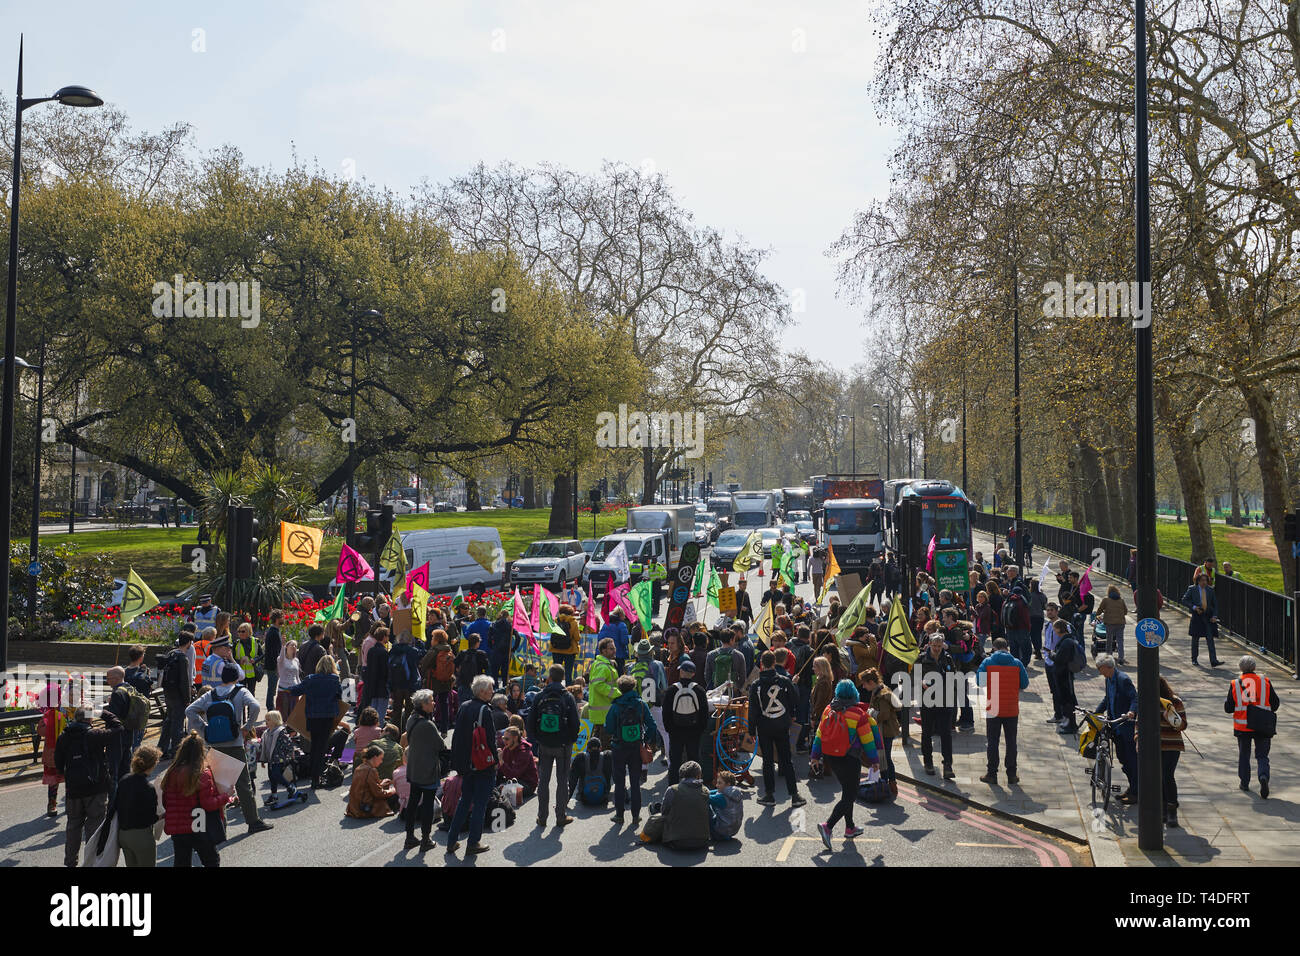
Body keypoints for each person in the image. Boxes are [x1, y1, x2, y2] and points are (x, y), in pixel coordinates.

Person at [185, 663, 272, 832]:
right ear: (236, 677)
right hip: (234, 742)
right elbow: (254, 706)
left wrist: (204, 729)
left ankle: (220, 825)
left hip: (215, 744)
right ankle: (253, 822)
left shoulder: (211, 694)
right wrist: (247, 726)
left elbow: (190, 710)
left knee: (217, 786)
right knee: (243, 785)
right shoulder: (241, 691)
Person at [811, 680, 881, 851]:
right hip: (850, 759)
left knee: (846, 791)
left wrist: (815, 756)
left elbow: (819, 734)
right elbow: (868, 741)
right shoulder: (859, 714)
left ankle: (850, 827)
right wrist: (874, 761)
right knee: (850, 795)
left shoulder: (828, 710)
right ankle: (828, 826)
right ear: (854, 694)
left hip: (831, 757)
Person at [53, 706, 125, 868]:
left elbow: (58, 762)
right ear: (90, 718)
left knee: (73, 825)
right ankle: (92, 860)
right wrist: (104, 712)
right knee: (95, 825)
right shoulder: (94, 735)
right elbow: (118, 728)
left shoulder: (64, 736)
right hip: (96, 787)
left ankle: (71, 862)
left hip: (73, 788)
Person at [446, 674, 497, 856]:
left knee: (464, 801)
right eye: (491, 688)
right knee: (480, 804)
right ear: (482, 691)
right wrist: (495, 761)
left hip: (466, 764)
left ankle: (452, 840)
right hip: (482, 764)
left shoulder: (464, 706)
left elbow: (457, 736)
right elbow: (490, 740)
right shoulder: (485, 710)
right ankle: (473, 842)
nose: (493, 691)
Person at [160, 731, 227, 867]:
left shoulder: (172, 772)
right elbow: (208, 804)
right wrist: (226, 796)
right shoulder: (202, 773)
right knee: (211, 860)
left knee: (181, 862)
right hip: (199, 824)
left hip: (178, 827)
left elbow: (166, 802)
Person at [749, 650, 806, 808]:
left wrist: (751, 730)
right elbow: (795, 699)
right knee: (786, 760)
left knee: (767, 761)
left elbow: (753, 709)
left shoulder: (756, 685)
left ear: (762, 664)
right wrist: (793, 685)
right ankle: (794, 795)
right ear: (774, 663)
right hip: (782, 725)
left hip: (764, 726)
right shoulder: (784, 681)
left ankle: (769, 795)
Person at [528, 663, 581, 826]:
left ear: (549, 678)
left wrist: (537, 739)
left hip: (544, 743)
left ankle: (542, 817)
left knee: (543, 780)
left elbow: (530, 722)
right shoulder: (567, 697)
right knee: (562, 780)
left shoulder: (540, 696)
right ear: (564, 678)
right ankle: (560, 816)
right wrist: (570, 739)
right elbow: (575, 723)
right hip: (563, 744)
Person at [282, 656, 344, 790]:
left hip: (313, 717)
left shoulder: (310, 679)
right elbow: (340, 696)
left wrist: (285, 688)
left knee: (315, 747)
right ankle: (316, 778)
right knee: (321, 748)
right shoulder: (334, 680)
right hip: (327, 717)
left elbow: (296, 690)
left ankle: (315, 776)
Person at [603, 674, 657, 827]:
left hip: (619, 747)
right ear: (634, 687)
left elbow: (609, 728)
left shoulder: (615, 706)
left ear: (620, 689)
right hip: (636, 748)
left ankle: (619, 815)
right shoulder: (641, 704)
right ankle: (635, 816)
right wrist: (645, 740)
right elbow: (652, 726)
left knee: (619, 782)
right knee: (635, 782)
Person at [976, 638, 1029, 785]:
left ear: (993, 648)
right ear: (1007, 647)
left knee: (992, 741)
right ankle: (1011, 774)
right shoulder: (1017, 663)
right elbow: (1024, 684)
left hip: (994, 706)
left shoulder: (988, 662)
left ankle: (991, 773)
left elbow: (979, 682)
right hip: (1011, 707)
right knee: (1011, 742)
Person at [1225, 655, 1280, 798]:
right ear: (1254, 667)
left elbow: (1228, 708)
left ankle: (1244, 782)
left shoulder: (1235, 683)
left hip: (1243, 727)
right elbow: (1275, 704)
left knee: (1244, 755)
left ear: (1240, 668)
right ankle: (1263, 776)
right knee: (1262, 755)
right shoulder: (1265, 681)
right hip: (1262, 725)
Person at [404, 689, 449, 851]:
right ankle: (425, 839)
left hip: (414, 768)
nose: (434, 703)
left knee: (413, 802)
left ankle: (409, 837)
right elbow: (441, 746)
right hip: (428, 771)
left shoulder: (411, 719)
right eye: (431, 700)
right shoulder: (428, 725)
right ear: (423, 704)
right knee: (428, 805)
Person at [1094, 654, 1138, 802]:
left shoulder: (1123, 679)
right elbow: (1107, 699)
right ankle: (1132, 788)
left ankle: (1136, 792)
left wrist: (1132, 711)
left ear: (1107, 667)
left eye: (1100, 669)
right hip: (1115, 727)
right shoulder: (1108, 680)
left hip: (1125, 727)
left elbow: (1134, 698)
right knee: (1123, 759)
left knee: (1132, 760)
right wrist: (1096, 713)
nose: (1099, 672)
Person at [662, 658, 708, 784]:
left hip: (676, 731)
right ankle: (696, 786)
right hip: (694, 731)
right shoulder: (699, 690)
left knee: (675, 762)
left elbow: (665, 713)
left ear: (681, 671)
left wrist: (670, 729)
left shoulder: (672, 690)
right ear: (693, 674)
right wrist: (700, 730)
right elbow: (704, 714)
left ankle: (673, 787)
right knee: (694, 760)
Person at [918, 632, 957, 779]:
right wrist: (921, 683)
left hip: (944, 701)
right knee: (927, 732)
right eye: (934, 645)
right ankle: (928, 762)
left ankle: (948, 765)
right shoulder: (922, 659)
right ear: (929, 645)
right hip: (927, 701)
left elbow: (954, 675)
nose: (936, 648)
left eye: (939, 646)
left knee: (946, 733)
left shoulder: (947, 658)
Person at [117, 745, 163, 867]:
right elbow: (150, 818)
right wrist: (162, 816)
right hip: (141, 836)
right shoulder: (148, 787)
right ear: (152, 764)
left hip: (123, 835)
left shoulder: (124, 780)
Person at [660, 760, 712, 850]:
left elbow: (664, 811)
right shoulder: (705, 791)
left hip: (676, 841)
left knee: (658, 815)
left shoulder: (672, 790)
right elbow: (709, 814)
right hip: (702, 841)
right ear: (699, 775)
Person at [863, 668, 901, 790]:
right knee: (883, 757)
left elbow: (885, 715)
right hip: (884, 729)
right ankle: (888, 782)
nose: (863, 687)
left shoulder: (881, 695)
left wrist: (872, 713)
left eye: (864, 684)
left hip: (886, 730)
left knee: (885, 758)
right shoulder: (878, 690)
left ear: (871, 682)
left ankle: (889, 783)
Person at [1182, 572, 1224, 667]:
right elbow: (1184, 600)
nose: (1204, 582)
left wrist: (1214, 616)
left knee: (1210, 639)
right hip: (1197, 617)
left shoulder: (1210, 590)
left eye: (1205, 580)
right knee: (1195, 639)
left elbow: (1215, 605)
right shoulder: (1192, 589)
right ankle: (1194, 659)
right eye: (1202, 581)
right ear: (1198, 581)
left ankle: (1213, 660)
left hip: (1207, 617)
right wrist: (1194, 607)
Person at [346, 744, 398, 819]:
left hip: (354, 806)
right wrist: (393, 790)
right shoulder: (371, 770)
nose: (381, 762)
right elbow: (378, 793)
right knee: (395, 796)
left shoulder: (360, 767)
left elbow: (366, 786)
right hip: (365, 807)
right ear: (374, 757)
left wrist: (381, 784)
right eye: (381, 758)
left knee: (387, 788)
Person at [259, 710, 299, 804]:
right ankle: (274, 796)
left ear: (275, 720)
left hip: (279, 758)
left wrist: (291, 753)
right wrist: (262, 760)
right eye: (266, 720)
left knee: (276, 774)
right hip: (270, 759)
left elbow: (288, 744)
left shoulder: (280, 731)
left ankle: (290, 787)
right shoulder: (267, 733)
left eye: (268, 720)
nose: (266, 722)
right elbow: (265, 747)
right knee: (271, 777)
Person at [587, 637, 620, 746]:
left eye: (614, 648)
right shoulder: (602, 666)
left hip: (602, 712)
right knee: (604, 746)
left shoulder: (603, 664)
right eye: (611, 648)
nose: (614, 650)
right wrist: (617, 693)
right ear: (603, 651)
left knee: (598, 745)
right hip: (603, 713)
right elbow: (598, 685)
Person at [569, 737, 614, 807]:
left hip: (585, 798)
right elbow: (618, 778)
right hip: (603, 797)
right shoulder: (608, 756)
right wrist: (625, 798)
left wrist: (564, 801)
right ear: (600, 748)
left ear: (587, 748)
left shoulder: (580, 757)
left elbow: (572, 781)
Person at [497, 726, 539, 797]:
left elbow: (514, 775)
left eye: (507, 739)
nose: (504, 741)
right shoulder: (507, 748)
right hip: (513, 780)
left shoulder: (524, 752)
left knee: (500, 791)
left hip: (527, 784)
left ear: (515, 738)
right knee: (491, 787)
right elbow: (501, 771)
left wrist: (501, 761)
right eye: (503, 738)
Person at [704, 627, 748, 693]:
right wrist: (736, 687)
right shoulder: (739, 655)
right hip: (732, 691)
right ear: (731, 640)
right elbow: (743, 677)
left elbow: (707, 675)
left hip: (716, 691)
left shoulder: (711, 655)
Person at [708, 770, 746, 842]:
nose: (716, 785)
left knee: (705, 804)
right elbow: (714, 792)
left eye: (719, 783)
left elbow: (705, 796)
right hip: (732, 830)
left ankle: (702, 834)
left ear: (728, 785)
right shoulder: (735, 793)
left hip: (720, 832)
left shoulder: (721, 797)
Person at [1096, 585, 1129, 663]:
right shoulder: (1121, 600)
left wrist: (1097, 615)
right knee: (1120, 640)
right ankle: (1121, 657)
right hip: (1120, 623)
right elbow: (1125, 612)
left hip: (1109, 623)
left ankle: (1109, 656)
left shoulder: (1106, 600)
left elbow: (1100, 610)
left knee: (1109, 640)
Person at [552, 602, 582, 684]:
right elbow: (577, 637)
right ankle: (568, 689)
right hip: (570, 650)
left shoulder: (555, 621)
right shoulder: (573, 622)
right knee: (568, 672)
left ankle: (555, 687)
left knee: (556, 672)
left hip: (556, 649)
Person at [598, 607, 633, 674]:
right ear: (620, 615)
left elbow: (600, 639)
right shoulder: (622, 625)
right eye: (624, 616)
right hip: (618, 655)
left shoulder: (605, 624)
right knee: (618, 674)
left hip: (605, 654)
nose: (625, 618)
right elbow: (624, 641)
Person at [262, 610, 283, 712]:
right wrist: (278, 665)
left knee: (272, 687)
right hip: (273, 665)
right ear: (277, 619)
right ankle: (270, 707)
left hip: (273, 664)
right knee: (272, 688)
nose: (283, 620)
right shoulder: (273, 632)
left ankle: (270, 706)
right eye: (282, 618)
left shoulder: (275, 631)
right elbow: (274, 652)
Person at [233, 621, 260, 696]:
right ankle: (242, 708)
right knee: (240, 693)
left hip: (252, 674)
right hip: (240, 673)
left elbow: (261, 655)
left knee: (251, 693)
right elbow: (231, 657)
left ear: (249, 632)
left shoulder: (256, 641)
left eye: (243, 631)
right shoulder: (236, 643)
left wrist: (255, 660)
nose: (240, 633)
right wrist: (239, 661)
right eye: (239, 631)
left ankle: (251, 708)